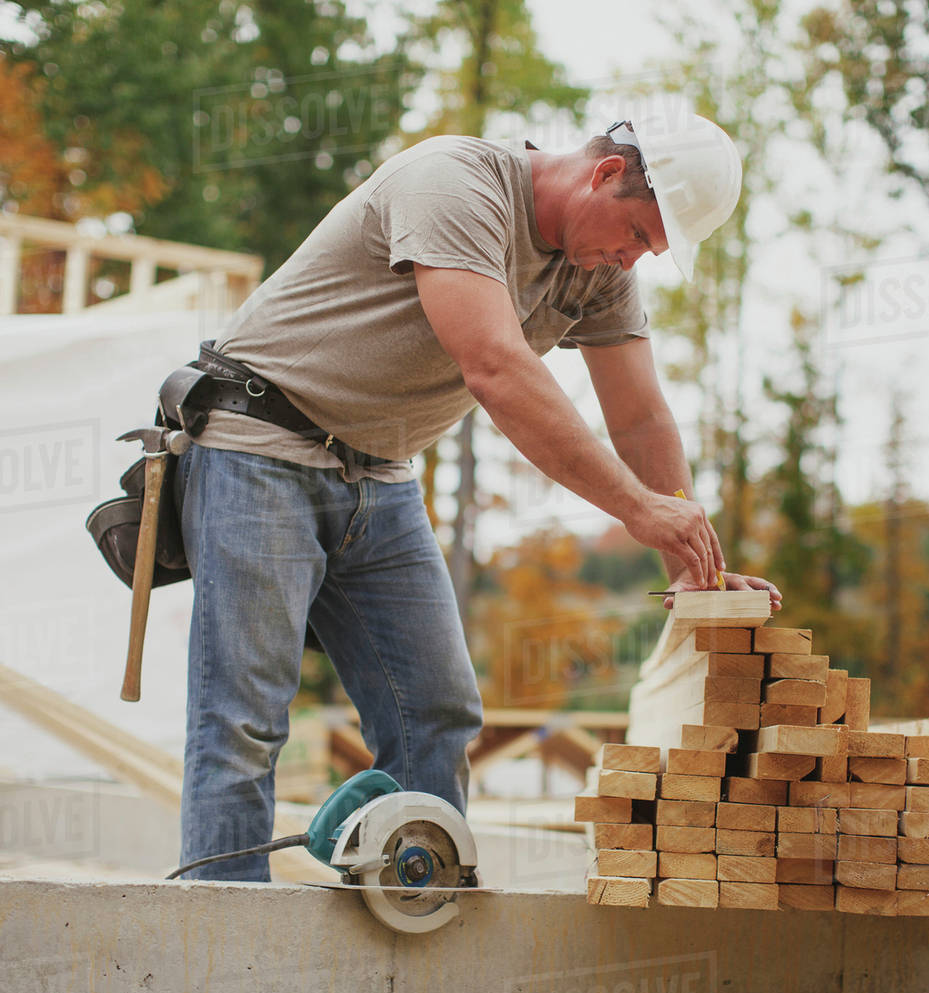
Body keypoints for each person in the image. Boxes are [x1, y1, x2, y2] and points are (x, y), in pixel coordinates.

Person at [172, 109, 782, 880]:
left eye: (648, 252)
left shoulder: (598, 271)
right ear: (603, 174)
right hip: (259, 443)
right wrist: (638, 510)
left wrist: (690, 569)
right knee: (245, 718)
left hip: (379, 473)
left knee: (435, 712)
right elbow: (493, 365)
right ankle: (223, 942)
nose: (630, 261)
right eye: (635, 233)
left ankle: (417, 907)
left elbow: (641, 416)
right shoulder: (457, 183)